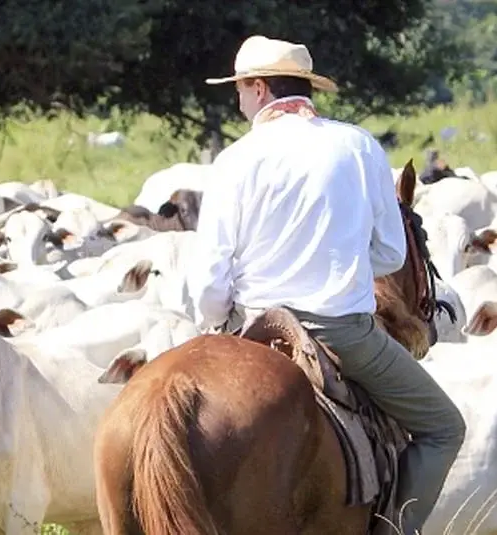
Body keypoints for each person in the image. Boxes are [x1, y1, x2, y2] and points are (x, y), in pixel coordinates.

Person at [187, 35, 467, 535]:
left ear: (258, 88)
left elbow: (210, 280)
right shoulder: (357, 146)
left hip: (249, 326)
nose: (238, 100)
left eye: (239, 89)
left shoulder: (233, 160)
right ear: (304, 89)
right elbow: (391, 254)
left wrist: (220, 324)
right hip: (340, 333)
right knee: (444, 428)